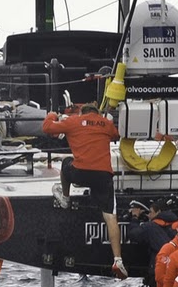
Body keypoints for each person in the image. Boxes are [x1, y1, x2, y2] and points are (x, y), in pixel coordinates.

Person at [41, 102, 125, 277]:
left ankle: (65, 197)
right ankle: (118, 260)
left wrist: (52, 115)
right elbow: (116, 135)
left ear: (81, 112)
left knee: (65, 163)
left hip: (80, 173)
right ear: (96, 112)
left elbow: (47, 128)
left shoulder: (73, 121)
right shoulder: (106, 123)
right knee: (110, 217)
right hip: (103, 176)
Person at [130, 204, 177, 287]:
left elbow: (134, 234)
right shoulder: (176, 225)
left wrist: (135, 218)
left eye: (150, 212)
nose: (149, 215)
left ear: (158, 212)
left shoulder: (150, 227)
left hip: (159, 273)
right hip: (176, 273)